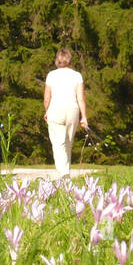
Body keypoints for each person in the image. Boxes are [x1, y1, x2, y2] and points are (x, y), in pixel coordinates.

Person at [44, 48, 87, 178]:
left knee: (58, 142)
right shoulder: (77, 76)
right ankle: (66, 171)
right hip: (72, 109)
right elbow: (81, 98)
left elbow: (47, 98)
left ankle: (64, 173)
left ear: (57, 60)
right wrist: (84, 117)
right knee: (68, 141)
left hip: (55, 109)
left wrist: (47, 111)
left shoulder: (51, 75)